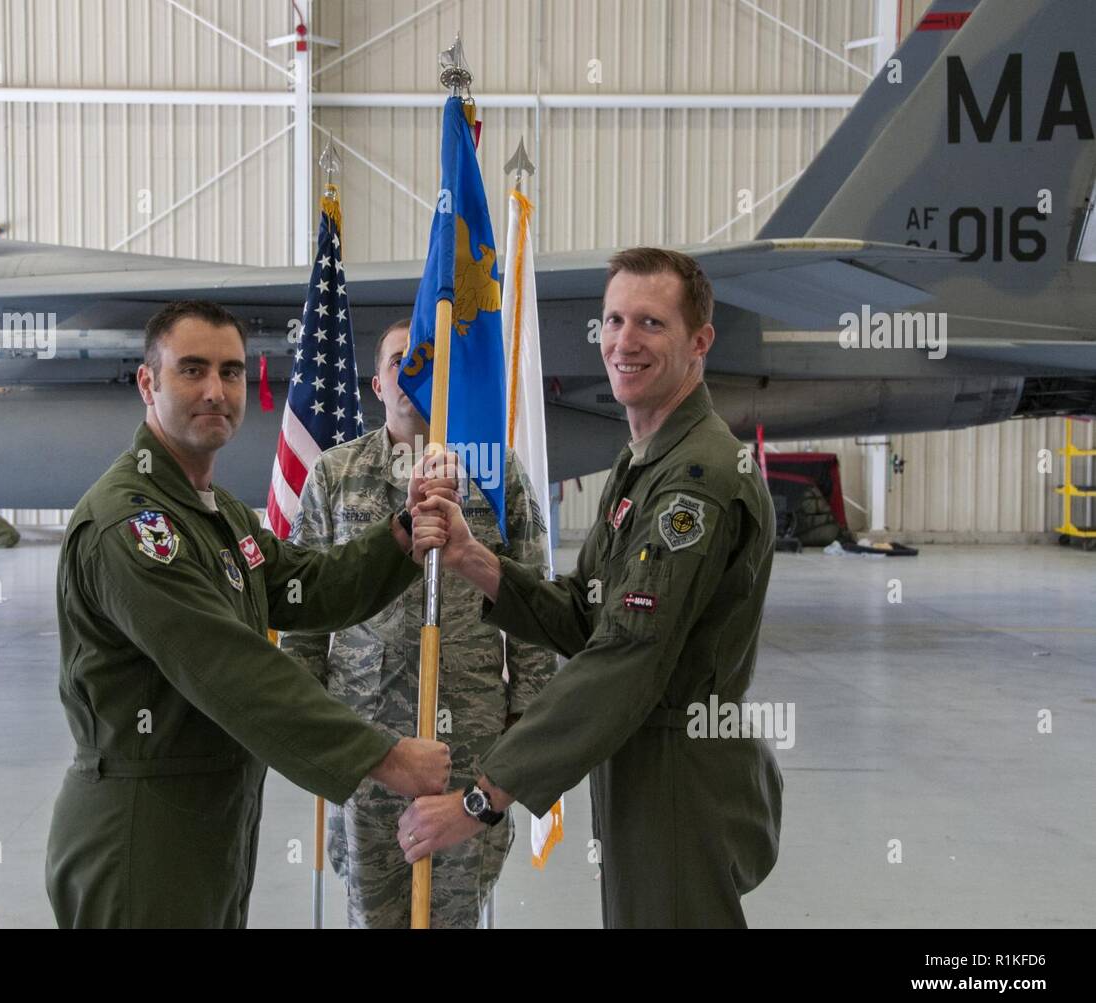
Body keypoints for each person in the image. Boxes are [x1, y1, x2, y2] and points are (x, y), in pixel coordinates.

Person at [399, 248, 784, 929]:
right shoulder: (644, 463)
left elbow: (626, 655)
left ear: (700, 342)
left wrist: (482, 799)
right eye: (613, 320)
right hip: (639, 756)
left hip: (679, 769)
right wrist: (471, 558)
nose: (623, 342)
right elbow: (588, 614)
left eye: (651, 323)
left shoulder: (698, 481)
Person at [46, 300, 453, 928]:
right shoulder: (132, 526)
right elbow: (229, 668)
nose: (215, 390)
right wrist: (383, 756)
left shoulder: (217, 514)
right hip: (141, 826)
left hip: (212, 817)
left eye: (231, 371)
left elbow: (307, 587)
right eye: (192, 370)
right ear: (147, 383)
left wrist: (400, 533)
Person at [280, 319, 558, 929]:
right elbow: (303, 616)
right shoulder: (334, 475)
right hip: (366, 747)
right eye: (397, 362)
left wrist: (522, 733)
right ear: (376, 385)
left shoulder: (495, 474)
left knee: (455, 916)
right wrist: (314, 739)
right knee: (372, 916)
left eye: (426, 361)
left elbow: (535, 609)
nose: (412, 373)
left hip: (469, 750)